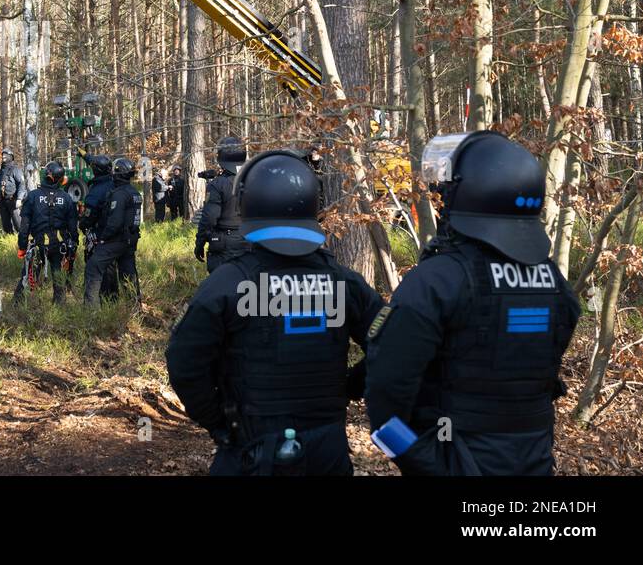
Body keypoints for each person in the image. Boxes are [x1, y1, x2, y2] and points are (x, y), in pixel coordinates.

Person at [364, 132, 580, 476]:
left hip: (453, 458)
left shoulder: (436, 281)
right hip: (535, 457)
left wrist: (420, 461)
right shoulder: (554, 281)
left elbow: (385, 396)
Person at [166, 149, 383, 475]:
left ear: (246, 205)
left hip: (252, 450)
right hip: (328, 452)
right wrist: (349, 387)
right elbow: (392, 341)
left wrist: (219, 423)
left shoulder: (227, 283)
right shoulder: (344, 281)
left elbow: (184, 363)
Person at [14, 161, 78, 305]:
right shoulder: (67, 198)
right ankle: (59, 306)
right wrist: (74, 245)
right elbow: (73, 226)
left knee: (27, 277)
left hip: (39, 244)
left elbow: (24, 225)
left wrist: (22, 246)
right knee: (58, 278)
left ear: (46, 175)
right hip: (60, 246)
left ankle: (18, 305)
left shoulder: (33, 196)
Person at [84, 157, 142, 306]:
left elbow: (115, 222)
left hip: (115, 241)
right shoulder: (134, 192)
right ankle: (134, 309)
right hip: (130, 241)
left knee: (93, 267)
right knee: (128, 276)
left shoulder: (119, 194)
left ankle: (91, 312)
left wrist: (103, 239)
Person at [196, 135, 248, 275]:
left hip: (225, 244)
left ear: (221, 158)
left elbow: (209, 218)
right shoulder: (255, 180)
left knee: (222, 286)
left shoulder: (218, 184)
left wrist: (200, 242)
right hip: (249, 241)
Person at [78, 154, 119, 299]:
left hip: (100, 235)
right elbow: (97, 162)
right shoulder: (116, 182)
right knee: (112, 268)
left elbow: (89, 217)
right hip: (118, 235)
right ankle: (113, 298)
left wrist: (81, 224)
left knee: (96, 269)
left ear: (96, 171)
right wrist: (84, 154)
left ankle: (100, 300)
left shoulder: (96, 191)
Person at [0, 148, 26, 235]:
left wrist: (19, 199)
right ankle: (10, 241)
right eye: (2, 155)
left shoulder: (16, 170)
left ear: (11, 156)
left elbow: (21, 185)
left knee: (19, 225)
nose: (3, 156)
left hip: (13, 201)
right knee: (6, 226)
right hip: (2, 202)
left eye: (6, 154)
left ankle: (25, 243)